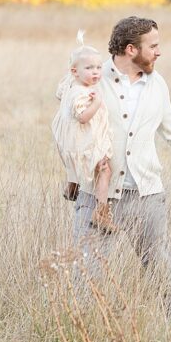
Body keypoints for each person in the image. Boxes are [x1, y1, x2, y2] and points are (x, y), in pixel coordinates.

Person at [72, 17, 171, 317]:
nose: (160, 52)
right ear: (131, 49)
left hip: (147, 197)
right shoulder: (93, 77)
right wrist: (75, 175)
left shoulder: (157, 84)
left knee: (164, 277)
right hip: (98, 198)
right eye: (154, 46)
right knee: (85, 278)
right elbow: (68, 125)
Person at [51, 31, 115, 232]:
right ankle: (101, 212)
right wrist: (96, 101)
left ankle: (72, 187)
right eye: (89, 68)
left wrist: (74, 75)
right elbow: (83, 117)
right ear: (75, 71)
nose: (96, 72)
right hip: (81, 142)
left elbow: (59, 93)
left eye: (98, 67)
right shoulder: (82, 94)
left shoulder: (71, 83)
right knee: (104, 170)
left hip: (69, 140)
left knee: (77, 167)